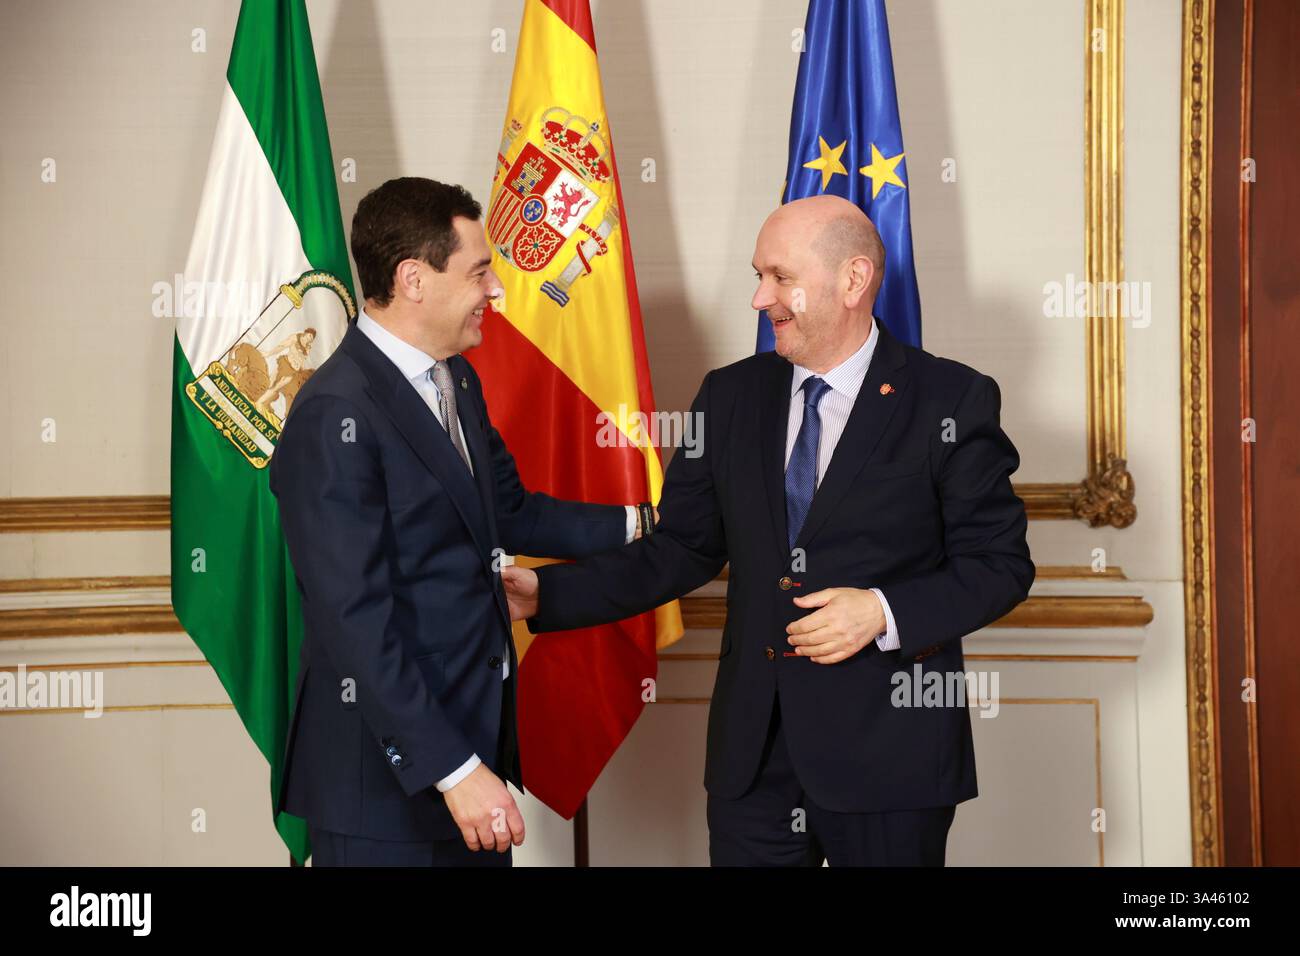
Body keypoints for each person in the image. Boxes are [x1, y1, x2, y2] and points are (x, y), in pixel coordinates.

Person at [503, 194, 1035, 866]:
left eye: (781, 278)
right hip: (751, 763)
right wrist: (546, 596)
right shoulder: (728, 397)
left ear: (853, 280)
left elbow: (999, 564)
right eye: (759, 276)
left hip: (890, 759)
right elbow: (682, 548)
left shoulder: (950, 400)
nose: (760, 298)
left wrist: (880, 611)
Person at [270, 177, 645, 866]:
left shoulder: (455, 380)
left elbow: (511, 511)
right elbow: (353, 620)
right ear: (414, 279)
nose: (496, 290)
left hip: (470, 763)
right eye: (478, 271)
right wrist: (454, 770)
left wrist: (645, 523)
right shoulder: (335, 413)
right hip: (389, 789)